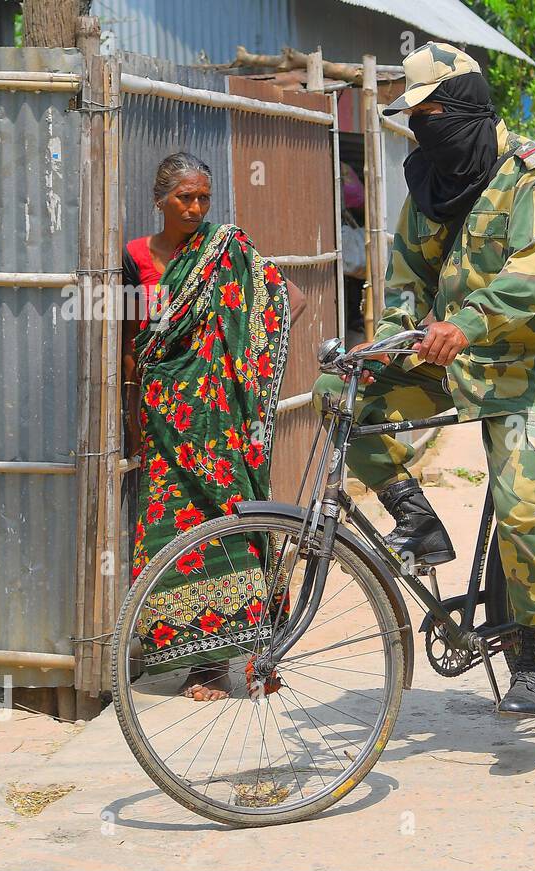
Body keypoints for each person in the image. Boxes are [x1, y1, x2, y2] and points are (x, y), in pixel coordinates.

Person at [312, 42, 535, 717]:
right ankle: (418, 520)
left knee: (518, 507)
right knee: (339, 398)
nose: (422, 130)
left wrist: (468, 321)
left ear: (463, 106)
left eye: (430, 114)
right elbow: (406, 276)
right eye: (415, 119)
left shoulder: (529, 172)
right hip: (450, 355)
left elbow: (533, 269)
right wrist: (389, 337)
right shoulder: (429, 177)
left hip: (527, 361)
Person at [123, 152, 305, 700]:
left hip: (222, 426)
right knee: (175, 537)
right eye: (185, 198)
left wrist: (235, 361)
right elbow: (131, 343)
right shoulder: (134, 258)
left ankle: (255, 656)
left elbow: (288, 300)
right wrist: (133, 412)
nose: (197, 208)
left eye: (204, 197)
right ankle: (201, 667)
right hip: (164, 425)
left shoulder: (225, 250)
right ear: (160, 200)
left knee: (237, 529)